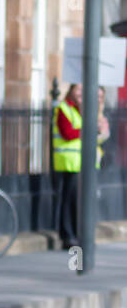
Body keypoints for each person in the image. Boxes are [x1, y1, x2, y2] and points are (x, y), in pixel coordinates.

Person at [52, 83, 108, 249]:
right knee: (70, 200)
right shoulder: (64, 108)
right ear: (71, 91)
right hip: (70, 163)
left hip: (85, 163)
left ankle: (80, 234)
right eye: (77, 89)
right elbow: (67, 133)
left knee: (82, 201)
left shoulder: (83, 109)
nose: (81, 93)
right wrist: (89, 130)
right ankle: (68, 236)